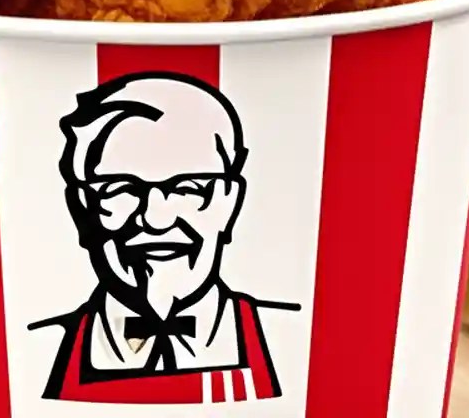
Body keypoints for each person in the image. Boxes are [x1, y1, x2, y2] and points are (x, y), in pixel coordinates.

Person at [33, 72, 286, 404]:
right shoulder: (32, 350)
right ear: (82, 210)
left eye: (188, 188)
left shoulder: (291, 336)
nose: (155, 219)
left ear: (230, 202)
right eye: (120, 189)